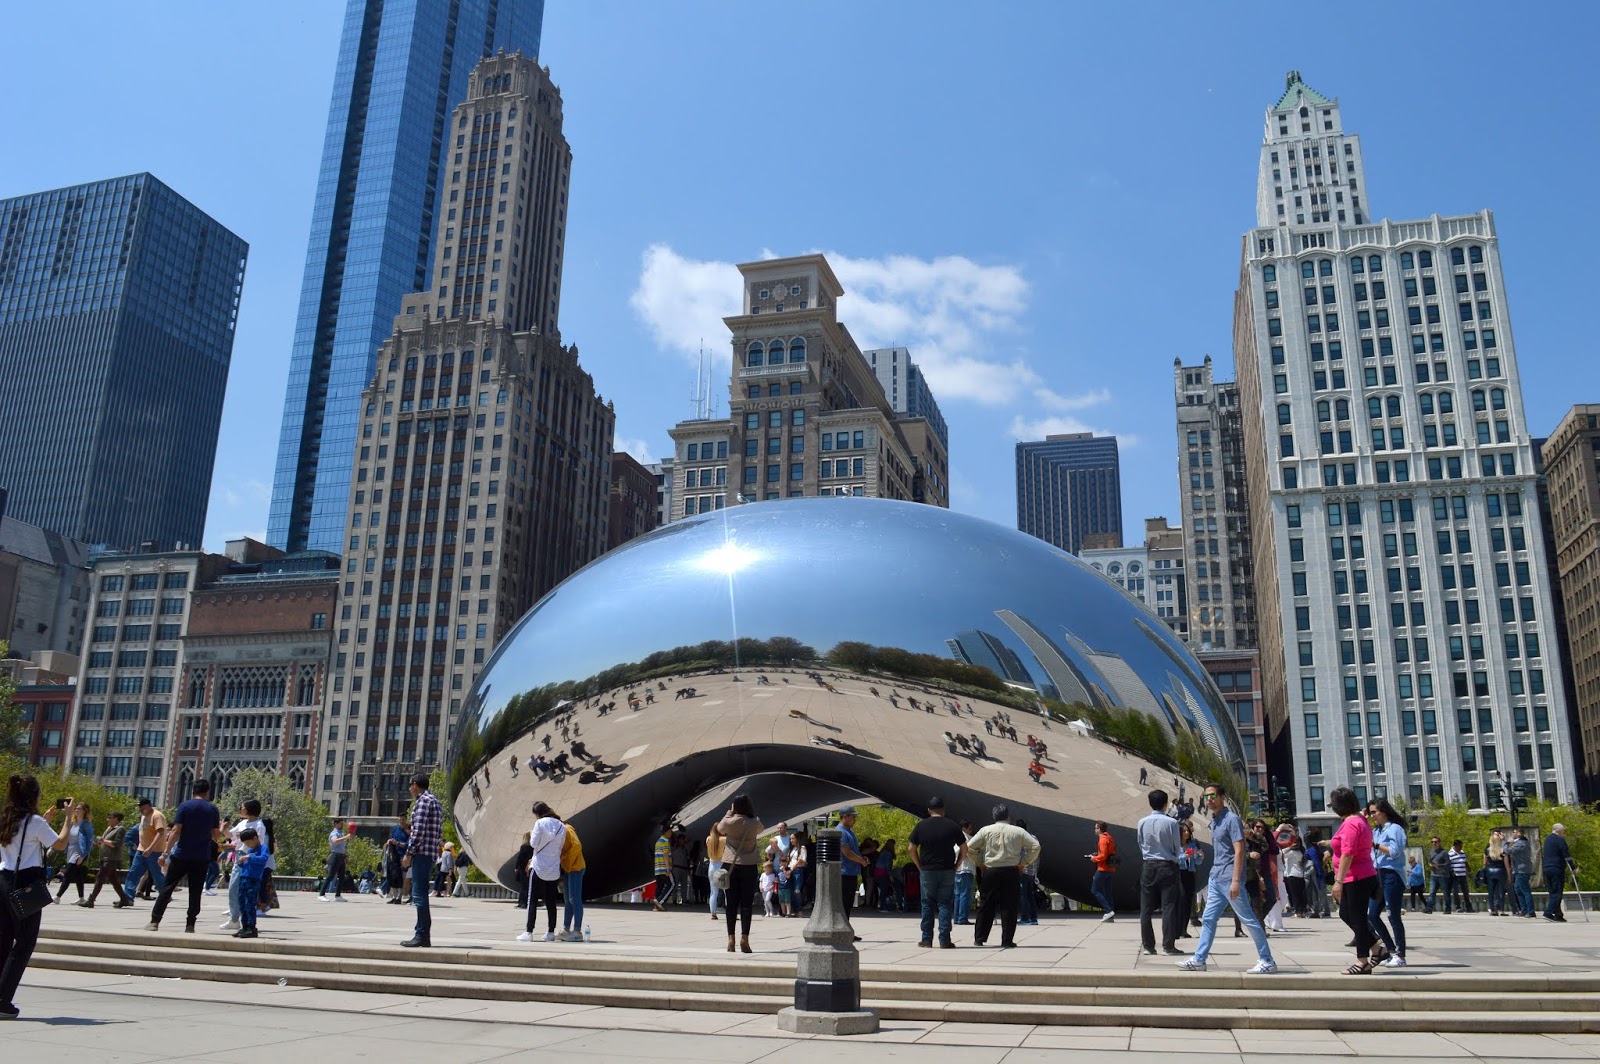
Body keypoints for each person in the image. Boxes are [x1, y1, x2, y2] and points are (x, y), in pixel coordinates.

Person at [1175, 782, 1276, 974]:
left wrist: (1236, 880)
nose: (1209, 799)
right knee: (1208, 918)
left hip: (1229, 878)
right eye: (1206, 797)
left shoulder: (1231, 819)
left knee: (1249, 919)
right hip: (1216, 877)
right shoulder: (1216, 820)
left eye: (1213, 795)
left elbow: (1239, 850)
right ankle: (1199, 959)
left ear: (1222, 797)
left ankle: (1267, 960)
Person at [0, 773, 74, 1019]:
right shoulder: (34, 822)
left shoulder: (6, 818)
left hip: (3, 881)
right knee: (24, 942)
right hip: (25, 884)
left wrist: (43, 821)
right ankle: (3, 999)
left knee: (3, 940)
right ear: (33, 796)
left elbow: (22, 842)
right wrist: (68, 819)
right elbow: (60, 844)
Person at [148, 779, 221, 934]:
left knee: (167, 888)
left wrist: (166, 852)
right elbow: (216, 834)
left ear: (193, 791)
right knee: (195, 891)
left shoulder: (185, 806)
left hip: (182, 854)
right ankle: (190, 925)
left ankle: (155, 921)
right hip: (201, 856)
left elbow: (176, 830)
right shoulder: (212, 809)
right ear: (208, 792)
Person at [966, 804, 1040, 949]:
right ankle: (1007, 940)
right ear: (1008, 817)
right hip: (1011, 870)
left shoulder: (985, 830)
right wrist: (1024, 862)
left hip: (991, 869)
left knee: (986, 904)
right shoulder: (1018, 831)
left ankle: (979, 938)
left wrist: (979, 863)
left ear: (994, 817)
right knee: (1009, 906)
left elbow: (970, 847)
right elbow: (1036, 846)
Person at [1328, 786, 1380, 974]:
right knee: (1346, 914)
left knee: (1357, 917)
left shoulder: (1351, 823)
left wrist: (1338, 881)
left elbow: (1348, 853)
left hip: (1355, 876)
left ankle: (1362, 961)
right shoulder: (1360, 820)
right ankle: (1377, 948)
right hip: (1360, 875)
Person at [907, 795, 966, 949]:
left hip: (927, 870)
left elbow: (911, 849)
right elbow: (965, 849)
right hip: (947, 870)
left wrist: (919, 866)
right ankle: (945, 940)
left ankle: (926, 939)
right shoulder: (952, 826)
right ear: (943, 810)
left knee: (927, 904)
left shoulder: (921, 826)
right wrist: (957, 864)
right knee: (945, 904)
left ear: (928, 810)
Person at [712, 794, 764, 953]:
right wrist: (752, 814)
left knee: (731, 904)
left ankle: (731, 939)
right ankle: (745, 939)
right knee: (747, 904)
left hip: (730, 865)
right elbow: (761, 828)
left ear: (735, 807)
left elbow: (719, 829)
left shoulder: (729, 821)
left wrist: (729, 812)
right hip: (749, 865)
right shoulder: (754, 822)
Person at [1136, 789, 1183, 956]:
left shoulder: (1142, 822)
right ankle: (1168, 946)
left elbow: (1140, 843)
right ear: (1165, 803)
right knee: (1168, 906)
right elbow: (1177, 848)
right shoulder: (1171, 823)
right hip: (1167, 864)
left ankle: (1148, 946)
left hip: (1148, 864)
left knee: (1146, 908)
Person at [401, 772, 442, 948]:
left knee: (418, 893)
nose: (410, 788)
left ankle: (422, 934)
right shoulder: (435, 801)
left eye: (411, 784)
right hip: (430, 852)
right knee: (421, 892)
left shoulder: (423, 802)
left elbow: (418, 831)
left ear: (416, 784)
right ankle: (422, 932)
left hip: (422, 853)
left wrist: (409, 854)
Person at [1367, 797, 1409, 968]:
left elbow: (1395, 852)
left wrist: (1375, 846)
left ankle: (1400, 954)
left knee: (1393, 914)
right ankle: (1390, 949)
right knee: (1372, 915)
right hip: (1378, 874)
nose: (1372, 816)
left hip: (1392, 874)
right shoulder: (1376, 831)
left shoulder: (1395, 829)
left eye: (1374, 812)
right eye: (1370, 813)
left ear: (1383, 811)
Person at [519, 802, 565, 942]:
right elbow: (561, 846)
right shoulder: (561, 825)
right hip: (553, 867)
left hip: (539, 866)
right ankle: (550, 932)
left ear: (538, 813)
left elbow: (533, 843)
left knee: (532, 899)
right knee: (551, 901)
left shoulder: (539, 823)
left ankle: (529, 932)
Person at [118, 797, 167, 906]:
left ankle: (165, 895)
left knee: (156, 875)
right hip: (141, 850)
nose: (140, 809)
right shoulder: (143, 816)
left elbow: (160, 832)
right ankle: (127, 898)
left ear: (148, 805)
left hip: (154, 851)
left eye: (142, 807)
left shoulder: (157, 815)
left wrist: (150, 848)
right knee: (133, 873)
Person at [82, 810, 130, 907]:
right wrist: (98, 842)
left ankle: (91, 900)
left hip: (112, 859)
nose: (108, 819)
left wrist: (103, 840)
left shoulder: (120, 829)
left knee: (100, 877)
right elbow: (105, 843)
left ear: (116, 819)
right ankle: (124, 899)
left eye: (110, 817)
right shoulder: (109, 829)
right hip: (104, 858)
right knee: (113, 879)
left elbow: (117, 844)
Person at [231, 828, 269, 940]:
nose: (248, 845)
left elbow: (263, 859)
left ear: (255, 838)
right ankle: (245, 926)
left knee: (249, 903)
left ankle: (252, 927)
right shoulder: (249, 851)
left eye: (248, 842)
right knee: (241, 903)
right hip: (244, 878)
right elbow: (246, 865)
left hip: (253, 879)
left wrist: (249, 857)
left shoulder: (263, 848)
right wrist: (241, 862)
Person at [54, 801, 94, 903]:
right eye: (76, 808)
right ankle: (81, 898)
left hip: (79, 851)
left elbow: (90, 841)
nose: (76, 810)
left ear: (85, 811)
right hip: (70, 850)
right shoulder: (73, 823)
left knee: (68, 874)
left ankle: (58, 897)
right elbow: (65, 837)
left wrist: (83, 855)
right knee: (78, 875)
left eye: (79, 808)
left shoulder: (86, 825)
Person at [837, 807, 869, 932]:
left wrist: (862, 858)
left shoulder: (849, 831)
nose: (855, 819)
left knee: (849, 903)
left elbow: (854, 851)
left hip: (851, 872)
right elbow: (847, 853)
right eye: (853, 816)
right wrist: (861, 861)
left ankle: (846, 930)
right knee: (844, 903)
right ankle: (843, 931)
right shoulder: (841, 832)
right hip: (844, 873)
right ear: (845, 816)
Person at [1086, 821, 1117, 921]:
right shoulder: (1109, 838)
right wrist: (1097, 854)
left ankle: (1108, 911)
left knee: (1095, 890)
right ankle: (1110, 916)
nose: (1094, 830)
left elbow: (1103, 856)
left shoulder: (1102, 839)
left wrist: (1094, 858)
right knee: (1107, 892)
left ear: (1099, 829)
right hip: (1110, 868)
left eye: (1096, 828)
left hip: (1103, 868)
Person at [1543, 823, 1575, 922]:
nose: (1563, 833)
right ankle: (1548, 912)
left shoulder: (1547, 839)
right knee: (1557, 892)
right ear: (1559, 831)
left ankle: (1558, 914)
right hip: (1557, 868)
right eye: (1563, 831)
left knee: (1552, 892)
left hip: (1547, 868)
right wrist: (1572, 867)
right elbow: (1566, 854)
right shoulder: (1560, 840)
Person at [1176, 821, 1202, 937]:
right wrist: (1184, 856)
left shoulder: (1192, 844)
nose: (1186, 833)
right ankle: (1177, 929)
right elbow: (1174, 859)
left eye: (1188, 831)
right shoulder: (1175, 845)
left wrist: (1197, 855)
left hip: (1190, 874)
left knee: (1188, 901)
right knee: (1180, 901)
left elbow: (1198, 862)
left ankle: (1183, 930)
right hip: (1179, 874)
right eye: (1184, 831)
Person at [319, 820, 354, 901]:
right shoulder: (334, 833)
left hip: (341, 856)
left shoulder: (341, 833)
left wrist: (345, 856)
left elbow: (342, 847)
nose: (342, 825)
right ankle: (321, 894)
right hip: (335, 856)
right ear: (335, 824)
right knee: (330, 876)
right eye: (340, 823)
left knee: (342, 876)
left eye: (343, 823)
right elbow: (335, 841)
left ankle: (338, 895)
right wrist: (346, 837)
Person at [1507, 828, 1535, 918]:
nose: (1512, 834)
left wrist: (1504, 842)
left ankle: (1530, 911)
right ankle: (1524, 909)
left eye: (1514, 832)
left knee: (1524, 889)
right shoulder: (1519, 842)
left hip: (1523, 870)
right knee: (1518, 889)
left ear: (1519, 833)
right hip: (1518, 870)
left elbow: (1507, 851)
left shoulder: (1521, 843)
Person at [953, 821, 976, 926]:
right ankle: (962, 917)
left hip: (958, 870)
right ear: (965, 828)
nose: (971, 830)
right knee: (964, 894)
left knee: (958, 894)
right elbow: (961, 850)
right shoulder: (965, 838)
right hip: (965, 869)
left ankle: (957, 917)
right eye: (970, 828)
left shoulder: (955, 837)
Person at [650, 823, 675, 912]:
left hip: (657, 869)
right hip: (664, 868)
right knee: (672, 884)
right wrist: (668, 868)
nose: (671, 833)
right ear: (666, 832)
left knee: (659, 886)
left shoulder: (658, 842)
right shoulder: (665, 841)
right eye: (670, 831)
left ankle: (656, 906)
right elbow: (665, 855)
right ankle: (660, 901)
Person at [383, 815, 409, 903]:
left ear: (406, 820)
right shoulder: (395, 829)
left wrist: (397, 843)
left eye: (403, 819)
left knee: (401, 877)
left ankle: (399, 897)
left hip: (403, 856)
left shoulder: (408, 831)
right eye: (400, 820)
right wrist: (388, 843)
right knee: (393, 876)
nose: (401, 821)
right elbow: (390, 839)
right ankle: (394, 896)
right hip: (393, 856)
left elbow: (407, 844)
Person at [1483, 830, 1509, 916]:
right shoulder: (1502, 851)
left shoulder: (1487, 851)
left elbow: (1484, 863)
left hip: (1490, 871)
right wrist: (1509, 875)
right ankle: (1501, 910)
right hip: (1500, 871)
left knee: (1491, 891)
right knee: (1501, 891)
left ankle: (1493, 909)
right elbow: (1506, 864)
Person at [705, 823, 726, 919]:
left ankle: (713, 913)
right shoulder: (724, 840)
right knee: (727, 890)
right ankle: (730, 911)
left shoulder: (709, 839)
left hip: (712, 865)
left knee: (713, 891)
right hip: (722, 864)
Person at [1427, 836, 1451, 914]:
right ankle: (1429, 908)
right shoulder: (1431, 852)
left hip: (1443, 876)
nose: (1434, 843)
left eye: (1435, 842)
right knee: (1432, 892)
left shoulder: (1444, 852)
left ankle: (1448, 908)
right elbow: (1429, 861)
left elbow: (1448, 863)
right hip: (1434, 875)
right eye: (1432, 842)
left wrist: (1438, 865)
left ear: (1439, 843)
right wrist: (1430, 865)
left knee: (1445, 893)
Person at [514, 831, 533, 910]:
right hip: (529, 868)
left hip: (522, 869)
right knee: (528, 886)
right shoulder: (533, 847)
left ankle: (521, 902)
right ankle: (525, 902)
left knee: (523, 886)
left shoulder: (523, 847)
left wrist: (516, 867)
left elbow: (520, 858)